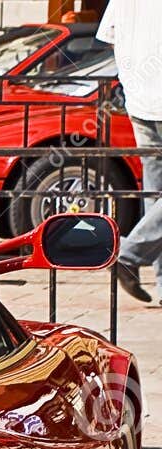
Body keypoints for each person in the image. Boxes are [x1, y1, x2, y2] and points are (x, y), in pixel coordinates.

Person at [99, 0, 162, 304]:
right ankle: (129, 253)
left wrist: (133, 81)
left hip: (139, 104)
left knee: (156, 197)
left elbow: (110, 37)